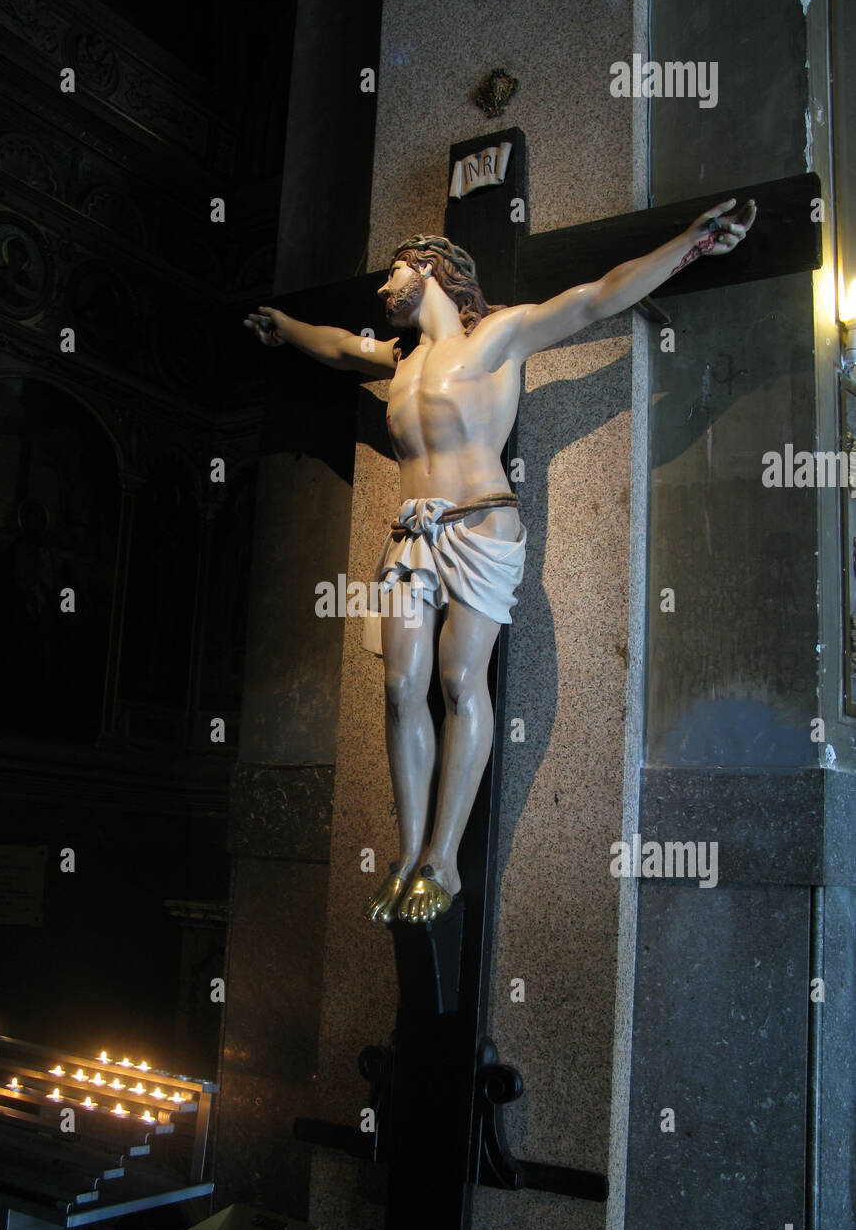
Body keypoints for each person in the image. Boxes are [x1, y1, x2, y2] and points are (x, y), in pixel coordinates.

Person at [244, 197, 756, 924]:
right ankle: (406, 852)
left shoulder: (501, 337)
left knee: (458, 680)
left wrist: (692, 244)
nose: (384, 289)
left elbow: (595, 298)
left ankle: (442, 861)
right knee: (398, 687)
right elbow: (334, 346)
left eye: (396, 273)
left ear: (433, 270)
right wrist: (285, 327)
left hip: (482, 524)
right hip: (409, 534)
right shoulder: (399, 358)